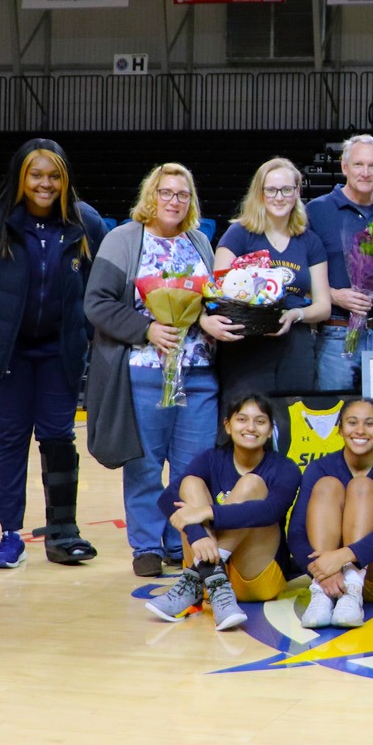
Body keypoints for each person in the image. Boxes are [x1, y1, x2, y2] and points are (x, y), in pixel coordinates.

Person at [85, 163, 242, 578]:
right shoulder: (123, 239)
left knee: (193, 466)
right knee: (145, 466)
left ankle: (183, 540)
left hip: (199, 373)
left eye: (182, 194)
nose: (174, 201)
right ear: (151, 196)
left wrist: (207, 318)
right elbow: (97, 303)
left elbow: (208, 300)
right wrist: (146, 328)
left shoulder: (200, 242)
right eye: (166, 193)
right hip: (144, 372)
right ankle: (147, 545)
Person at [0, 138, 108, 568]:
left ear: (66, 179)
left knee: (59, 437)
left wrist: (86, 336)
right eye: (36, 175)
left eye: (54, 176)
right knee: (10, 439)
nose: (45, 184)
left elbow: (100, 288)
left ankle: (63, 531)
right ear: (20, 178)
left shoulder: (86, 222)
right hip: (6, 355)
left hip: (60, 354)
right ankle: (10, 535)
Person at [143, 395, 303, 631]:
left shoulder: (285, 467)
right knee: (190, 484)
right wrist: (198, 535)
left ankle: (203, 572)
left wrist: (207, 512)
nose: (250, 427)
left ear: (270, 430)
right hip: (208, 580)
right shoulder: (211, 459)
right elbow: (167, 498)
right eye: (242, 419)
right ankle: (213, 577)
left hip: (256, 578)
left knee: (251, 484)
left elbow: (271, 511)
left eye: (260, 421)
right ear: (228, 425)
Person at [287, 397, 373, 629]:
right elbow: (296, 531)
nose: (360, 430)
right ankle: (321, 593)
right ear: (340, 429)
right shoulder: (319, 468)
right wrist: (323, 572)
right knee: (327, 485)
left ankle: (353, 590)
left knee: (361, 485)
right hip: (330, 576)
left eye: (369, 423)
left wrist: (343, 557)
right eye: (352, 422)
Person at [213, 157, 329, 410]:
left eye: (286, 189)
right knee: (246, 419)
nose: (279, 197)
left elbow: (323, 306)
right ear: (260, 193)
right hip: (247, 344)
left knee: (292, 420)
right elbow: (217, 292)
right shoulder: (239, 234)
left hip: (295, 344)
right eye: (271, 190)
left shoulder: (310, 241)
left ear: (297, 192)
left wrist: (296, 315)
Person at [309, 134, 373, 393]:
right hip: (336, 336)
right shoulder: (316, 211)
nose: (365, 172)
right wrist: (334, 296)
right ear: (344, 167)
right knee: (336, 408)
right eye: (358, 164)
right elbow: (297, 276)